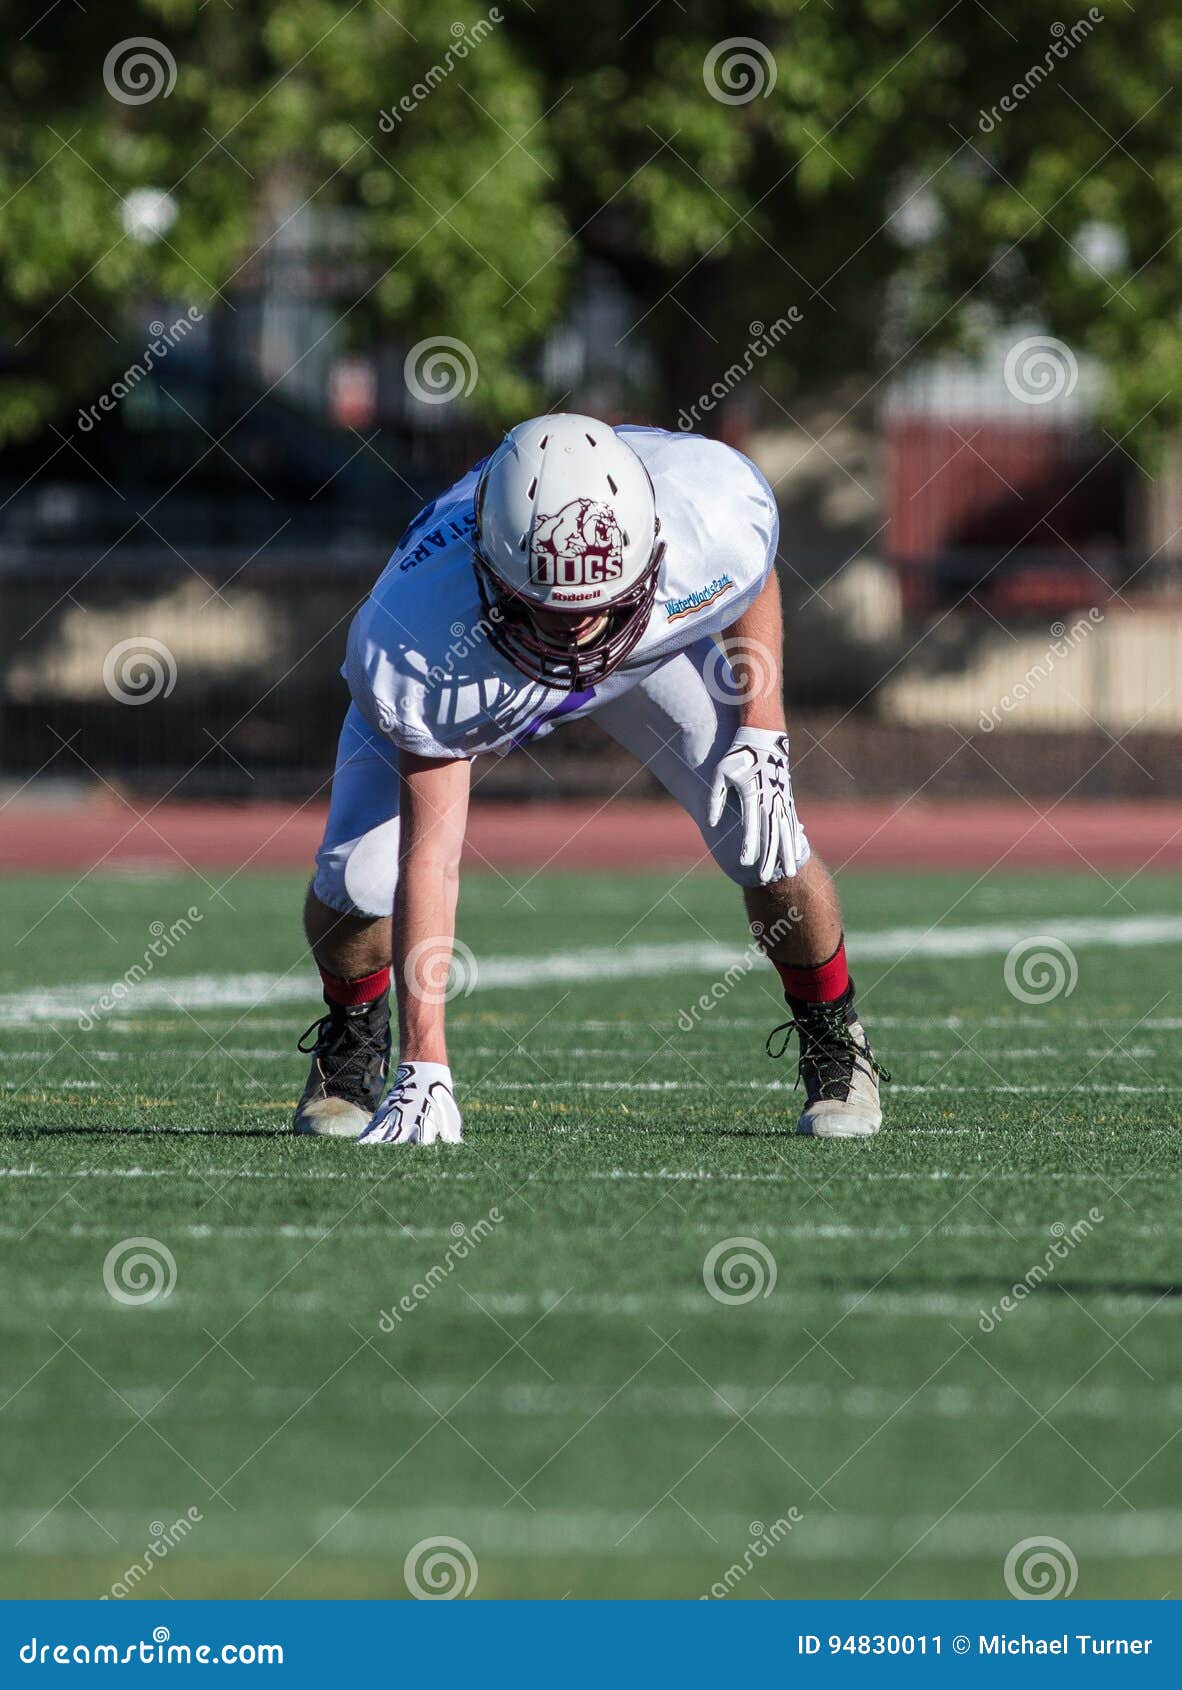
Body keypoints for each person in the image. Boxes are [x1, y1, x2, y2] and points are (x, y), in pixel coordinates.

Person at [294, 413, 887, 1144]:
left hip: (647, 653)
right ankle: (353, 1041)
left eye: (593, 609)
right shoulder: (416, 629)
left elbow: (746, 576)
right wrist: (428, 1061)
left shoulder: (707, 508)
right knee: (359, 883)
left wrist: (763, 728)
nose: (576, 634)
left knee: (764, 842)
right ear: (491, 567)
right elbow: (434, 858)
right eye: (551, 610)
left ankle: (836, 1039)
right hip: (478, 661)